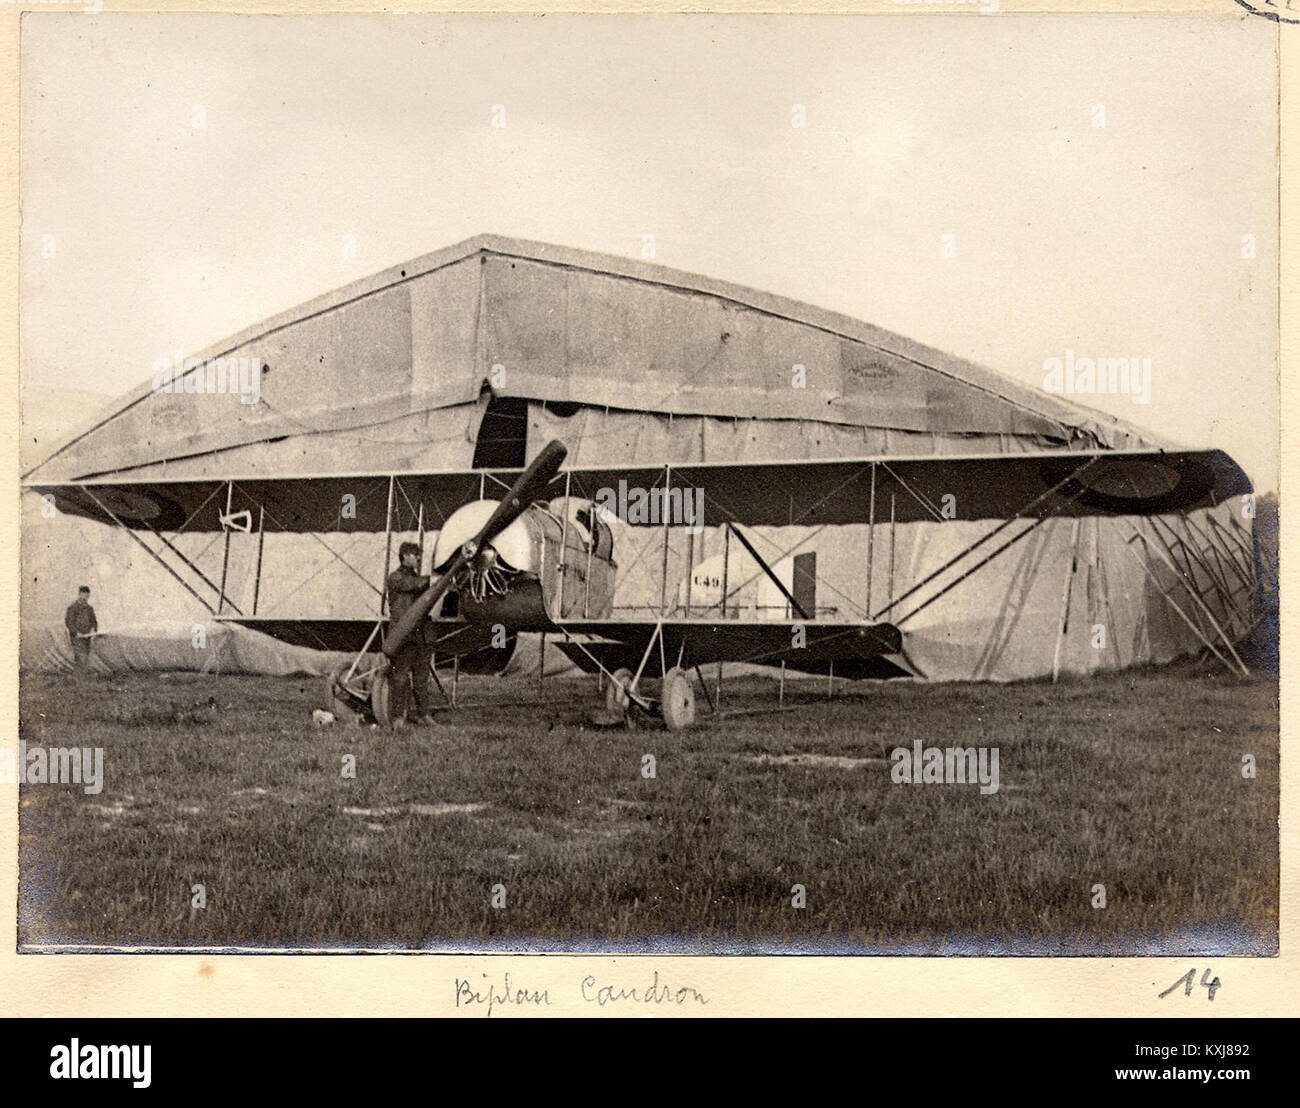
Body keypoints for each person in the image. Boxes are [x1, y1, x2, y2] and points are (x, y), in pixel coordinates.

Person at [385, 542, 437, 725]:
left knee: (421, 678)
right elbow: (414, 585)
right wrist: (436, 579)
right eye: (415, 555)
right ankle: (398, 718)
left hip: (421, 636)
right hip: (405, 637)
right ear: (405, 556)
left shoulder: (419, 581)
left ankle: (424, 715)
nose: (418, 558)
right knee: (400, 677)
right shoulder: (395, 578)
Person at [64, 585, 98, 676]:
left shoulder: (89, 608)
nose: (85, 598)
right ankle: (79, 678)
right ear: (79, 594)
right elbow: (69, 622)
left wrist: (93, 631)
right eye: (84, 596)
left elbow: (94, 621)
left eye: (87, 596)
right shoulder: (72, 608)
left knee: (85, 656)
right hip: (77, 637)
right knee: (81, 656)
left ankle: (79, 678)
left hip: (87, 637)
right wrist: (76, 633)